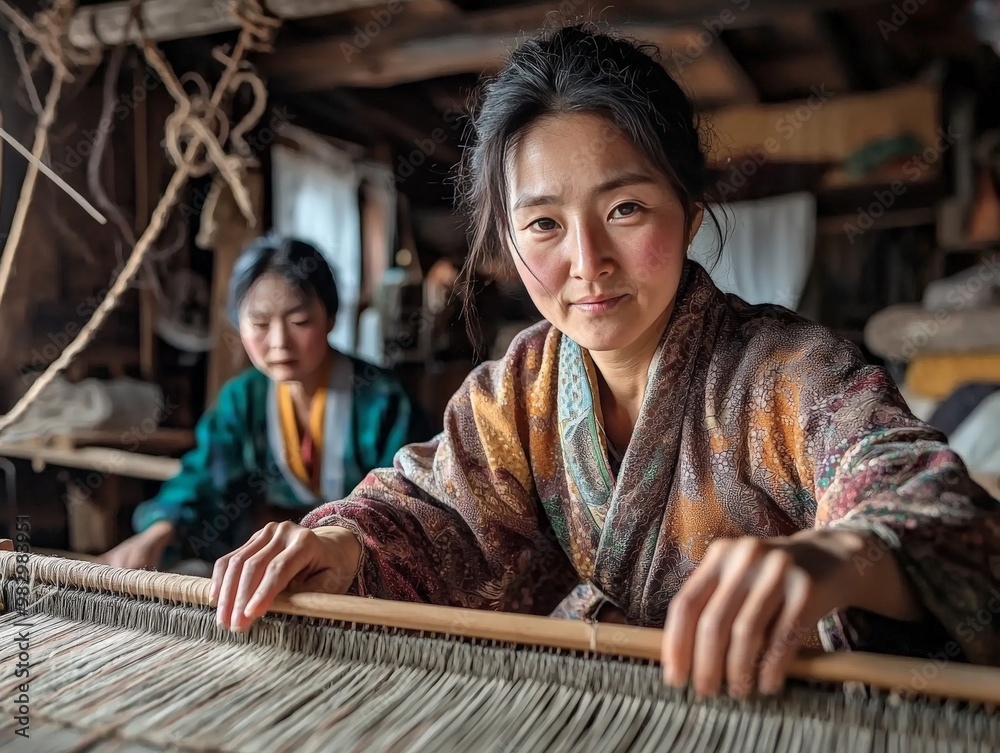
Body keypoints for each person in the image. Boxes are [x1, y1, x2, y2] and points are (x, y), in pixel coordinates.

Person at [209, 25, 1000, 699]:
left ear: (689, 215)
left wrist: (841, 554)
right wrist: (344, 542)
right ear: (509, 244)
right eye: (545, 223)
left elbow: (924, 496)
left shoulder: (785, 372)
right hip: (586, 712)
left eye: (624, 209)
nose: (588, 261)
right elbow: (436, 511)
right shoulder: (512, 395)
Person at [101, 235, 428, 571]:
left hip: (357, 566)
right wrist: (159, 529)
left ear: (330, 317)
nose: (279, 342)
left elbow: (406, 502)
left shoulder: (383, 400)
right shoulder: (243, 399)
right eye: (259, 324)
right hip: (268, 566)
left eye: (299, 322)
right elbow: (205, 477)